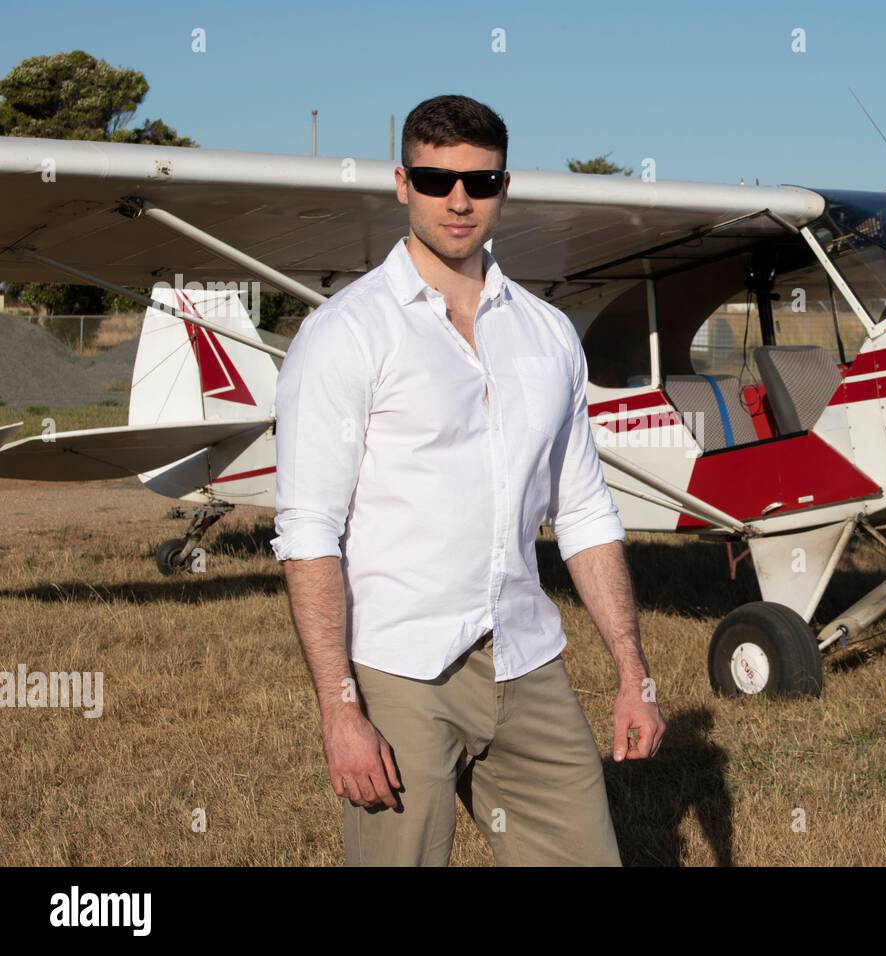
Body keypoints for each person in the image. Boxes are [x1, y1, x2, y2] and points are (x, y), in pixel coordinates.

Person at [270, 93, 665, 866]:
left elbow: (584, 512)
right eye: (435, 180)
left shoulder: (547, 334)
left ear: (503, 189)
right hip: (400, 669)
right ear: (402, 184)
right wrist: (340, 710)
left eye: (480, 183)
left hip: (526, 657)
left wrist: (633, 674)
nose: (458, 201)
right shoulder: (346, 333)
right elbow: (308, 530)